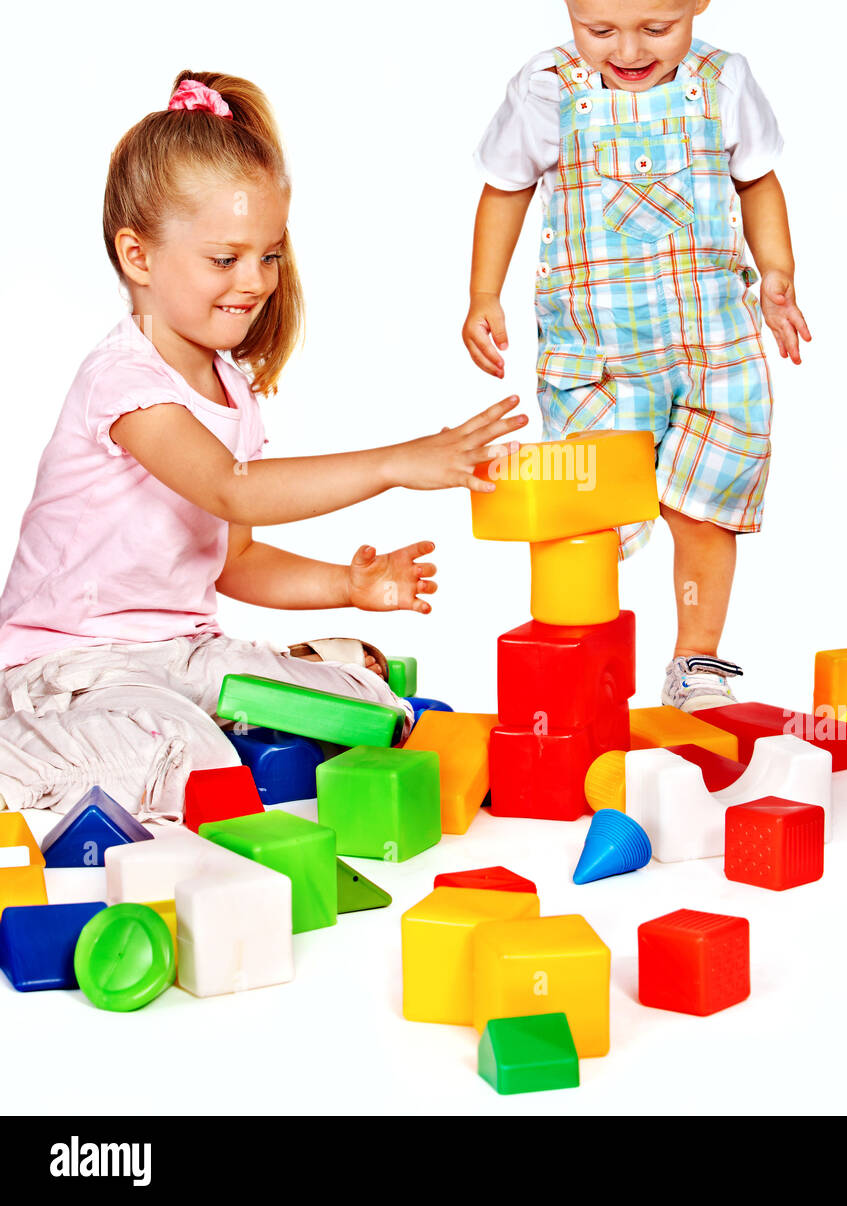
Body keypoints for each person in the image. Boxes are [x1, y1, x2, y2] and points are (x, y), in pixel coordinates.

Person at [0, 71, 526, 820]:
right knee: (191, 758)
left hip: (176, 652)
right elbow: (233, 488)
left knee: (371, 704)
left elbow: (236, 558)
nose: (255, 281)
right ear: (138, 257)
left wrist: (349, 585)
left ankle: (231, 715)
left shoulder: (230, 389)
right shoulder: (122, 382)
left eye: (269, 256)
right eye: (226, 259)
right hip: (68, 662)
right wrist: (396, 463)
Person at [464, 0, 810, 710]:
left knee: (706, 511)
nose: (627, 51)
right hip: (598, 356)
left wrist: (778, 277)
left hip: (711, 350)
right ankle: (582, 668)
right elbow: (504, 188)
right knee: (585, 517)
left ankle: (698, 660)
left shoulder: (720, 83)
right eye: (599, 27)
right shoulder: (548, 90)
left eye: (658, 26)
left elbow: (757, 182)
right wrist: (483, 295)